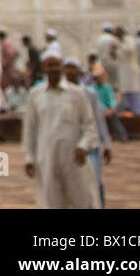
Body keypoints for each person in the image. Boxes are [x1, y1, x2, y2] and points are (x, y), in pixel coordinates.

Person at [22, 48, 98, 208]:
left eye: (56, 65)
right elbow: (30, 128)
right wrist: (29, 157)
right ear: (43, 68)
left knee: (83, 201)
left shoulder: (76, 93)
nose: (53, 69)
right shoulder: (36, 94)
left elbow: (90, 125)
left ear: (61, 66)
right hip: (46, 157)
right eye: (49, 65)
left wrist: (83, 147)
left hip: (74, 157)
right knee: (51, 202)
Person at [64, 58, 112, 208]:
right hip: (68, 145)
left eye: (73, 68)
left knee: (95, 181)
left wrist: (107, 143)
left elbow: (98, 119)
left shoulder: (89, 93)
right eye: (67, 68)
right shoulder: (59, 93)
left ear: (79, 71)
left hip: (90, 145)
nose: (70, 72)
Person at [91, 67, 128, 142]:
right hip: (97, 110)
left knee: (114, 115)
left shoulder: (107, 87)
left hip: (108, 110)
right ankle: (100, 137)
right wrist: (103, 110)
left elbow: (111, 100)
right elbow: (95, 102)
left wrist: (111, 109)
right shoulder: (92, 88)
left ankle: (123, 136)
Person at [116, 26, 140, 114]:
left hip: (131, 72)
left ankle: (137, 112)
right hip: (124, 72)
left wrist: (118, 48)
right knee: (126, 94)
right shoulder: (121, 41)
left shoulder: (129, 40)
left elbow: (130, 49)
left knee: (134, 93)